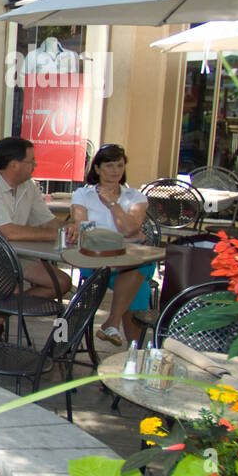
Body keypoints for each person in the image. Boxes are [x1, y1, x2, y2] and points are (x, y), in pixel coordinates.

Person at [0, 136, 78, 337]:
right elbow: (8, 232)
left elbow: (47, 220)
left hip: (13, 253)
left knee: (61, 282)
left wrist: (68, 227)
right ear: (14, 164)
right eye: (31, 161)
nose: (35, 165)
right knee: (12, 290)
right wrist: (52, 235)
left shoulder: (28, 186)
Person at [69, 144, 153, 344]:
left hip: (127, 260)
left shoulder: (136, 197)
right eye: (109, 166)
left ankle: (113, 323)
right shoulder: (83, 195)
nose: (115, 171)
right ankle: (134, 351)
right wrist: (127, 236)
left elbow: (128, 229)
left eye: (119, 165)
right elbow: (85, 231)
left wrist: (113, 205)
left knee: (137, 269)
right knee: (139, 285)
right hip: (96, 261)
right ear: (97, 168)